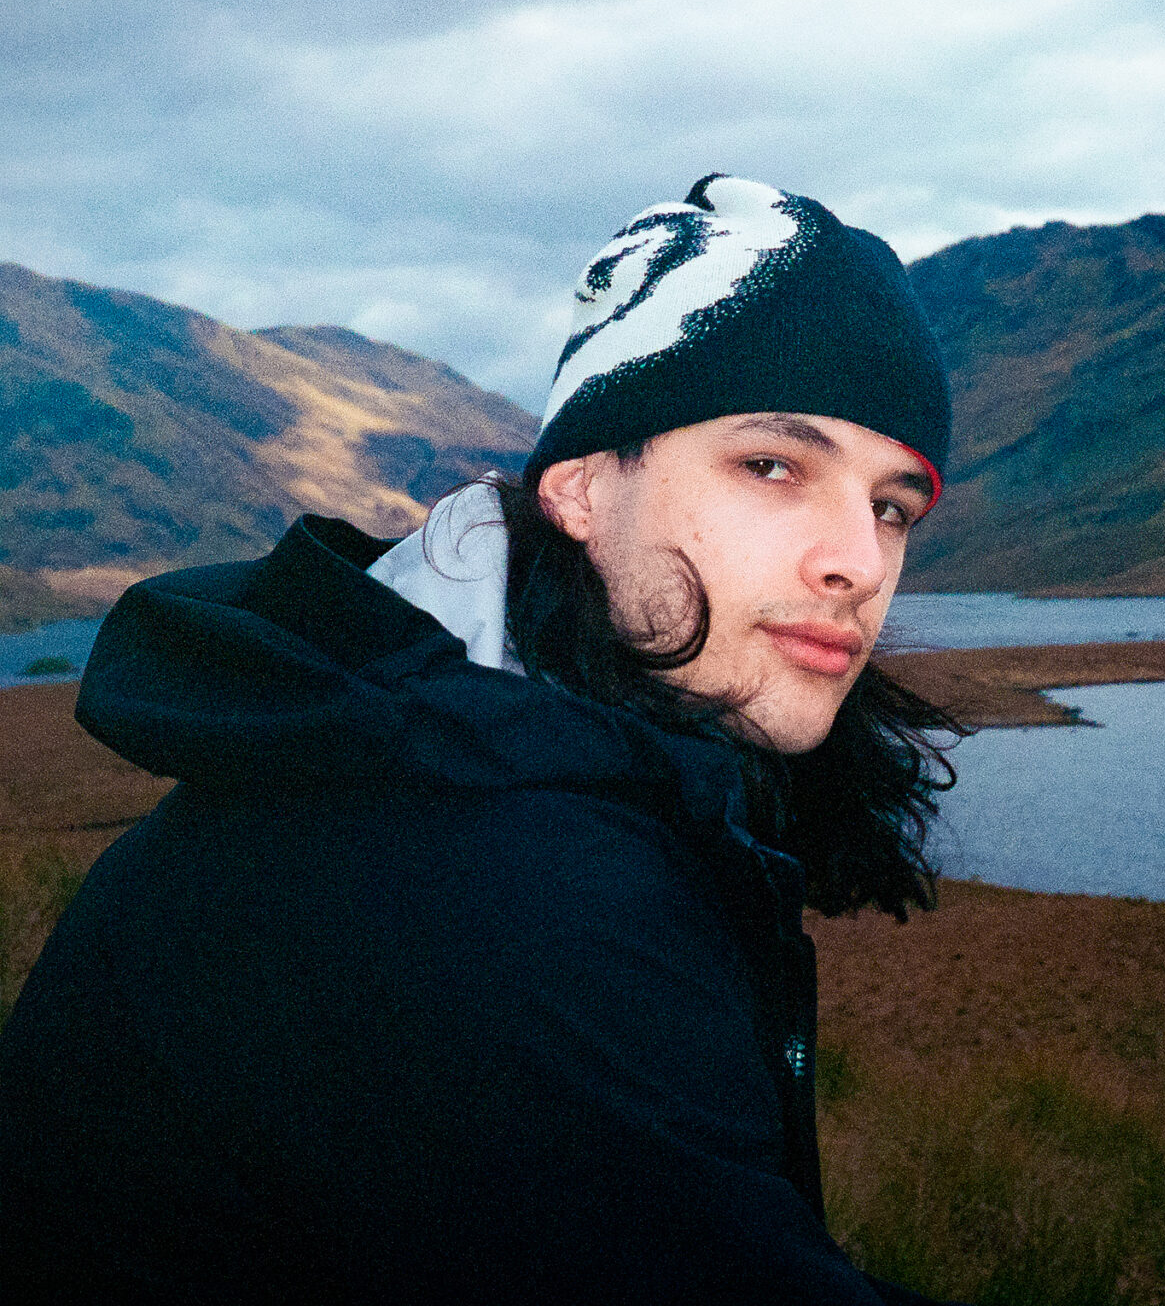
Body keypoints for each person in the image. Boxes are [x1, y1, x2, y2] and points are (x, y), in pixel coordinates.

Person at [0, 175, 968, 1304]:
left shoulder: (434, 737)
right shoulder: (505, 879)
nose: (857, 560)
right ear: (580, 491)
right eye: (774, 467)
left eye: (893, 506)